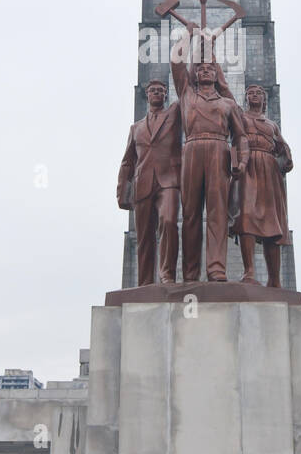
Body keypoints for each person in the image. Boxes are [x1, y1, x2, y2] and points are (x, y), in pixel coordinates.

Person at [170, 48, 249, 282]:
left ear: (217, 75)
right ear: (194, 74)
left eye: (210, 68)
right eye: (201, 68)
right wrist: (187, 35)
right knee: (191, 213)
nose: (205, 71)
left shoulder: (227, 104)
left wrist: (242, 160)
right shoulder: (186, 95)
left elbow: (241, 135)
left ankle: (216, 268)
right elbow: (176, 62)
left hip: (219, 150)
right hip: (192, 148)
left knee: (217, 212)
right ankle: (190, 272)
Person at [116, 80, 181, 285]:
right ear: (147, 95)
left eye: (161, 91)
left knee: (169, 222)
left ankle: (167, 274)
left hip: (168, 180)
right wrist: (122, 192)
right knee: (144, 235)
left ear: (165, 95)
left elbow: (185, 85)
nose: (157, 94)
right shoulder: (135, 128)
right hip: (142, 183)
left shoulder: (173, 115)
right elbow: (127, 161)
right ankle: (144, 283)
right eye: (153, 91)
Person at [229, 84, 292, 287]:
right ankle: (249, 272)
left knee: (272, 223)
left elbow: (282, 146)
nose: (254, 96)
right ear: (246, 99)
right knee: (245, 216)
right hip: (247, 166)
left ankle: (274, 279)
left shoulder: (272, 124)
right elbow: (233, 141)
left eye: (258, 93)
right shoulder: (240, 116)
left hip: (269, 169)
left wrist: (286, 156)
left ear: (264, 100)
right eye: (250, 93)